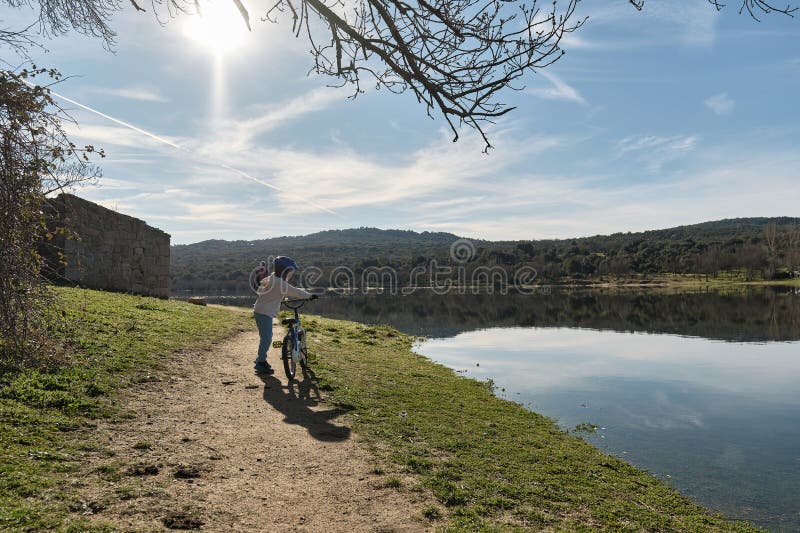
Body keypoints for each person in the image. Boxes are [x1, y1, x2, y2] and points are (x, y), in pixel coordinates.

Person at [253, 256, 315, 374]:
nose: (291, 274)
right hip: (264, 312)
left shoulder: (272, 278)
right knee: (266, 338)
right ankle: (260, 362)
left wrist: (272, 296)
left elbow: (261, 287)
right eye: (290, 271)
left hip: (259, 310)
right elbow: (296, 292)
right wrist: (310, 296)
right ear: (285, 271)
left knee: (265, 337)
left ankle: (260, 359)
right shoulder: (280, 283)